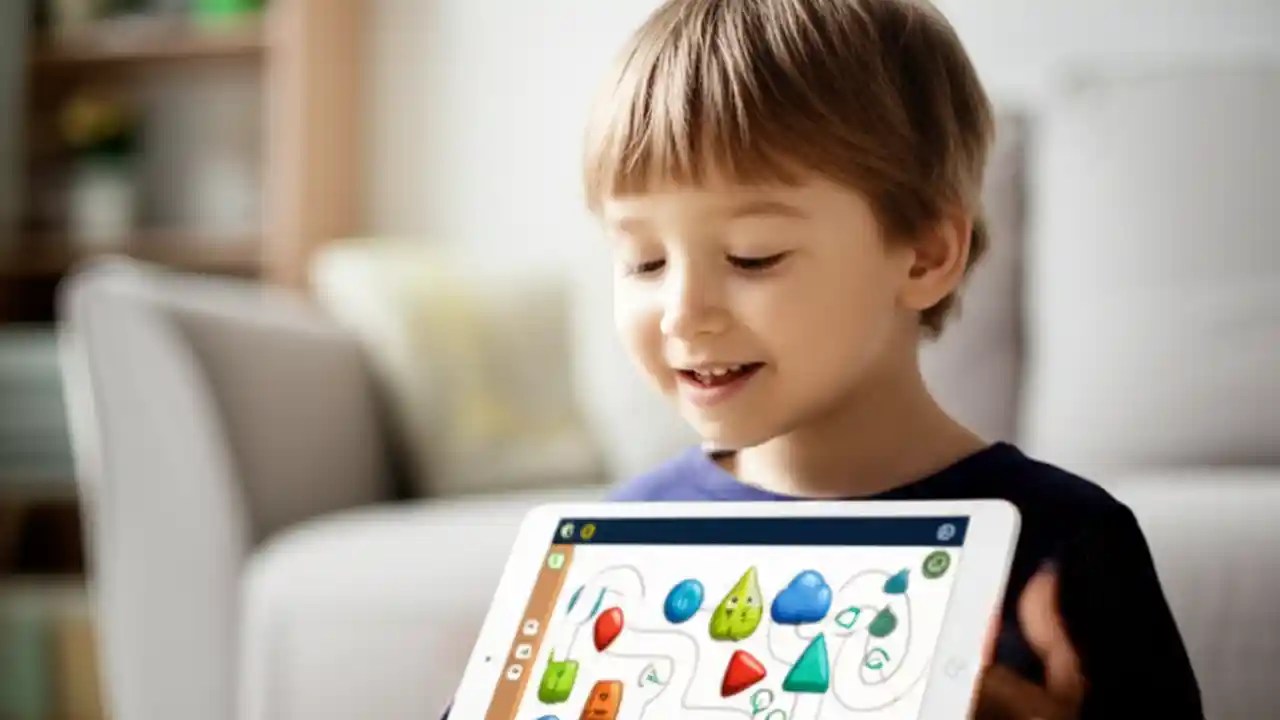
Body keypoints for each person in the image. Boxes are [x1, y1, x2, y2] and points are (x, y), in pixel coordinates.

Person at [444, 0, 1203, 717]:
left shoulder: (1065, 548)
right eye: (643, 261)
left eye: (752, 256)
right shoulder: (614, 544)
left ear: (924, 256)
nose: (682, 311)